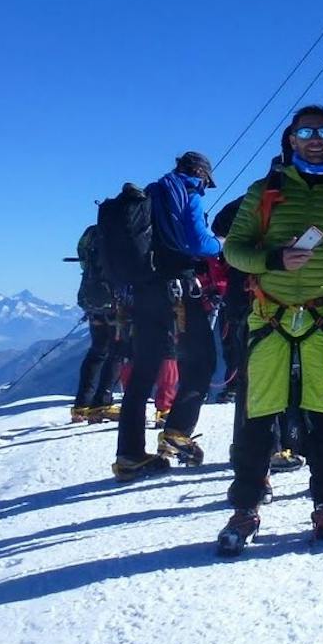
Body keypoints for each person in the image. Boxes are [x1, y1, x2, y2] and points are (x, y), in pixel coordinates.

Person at [219, 106, 323, 550]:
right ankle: (245, 508)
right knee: (258, 416)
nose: (315, 139)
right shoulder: (265, 191)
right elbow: (235, 251)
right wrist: (273, 260)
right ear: (291, 139)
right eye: (305, 132)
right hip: (269, 315)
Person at [113, 152, 223, 481]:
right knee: (201, 362)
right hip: (178, 289)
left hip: (144, 290)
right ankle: (177, 431)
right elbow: (198, 243)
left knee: (144, 369)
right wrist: (221, 244)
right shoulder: (187, 193)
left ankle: (129, 455)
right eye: (206, 181)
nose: (205, 187)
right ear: (200, 173)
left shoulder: (151, 193)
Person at [69, 225, 126, 423]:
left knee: (97, 350)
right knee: (117, 352)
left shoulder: (92, 232)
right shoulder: (125, 233)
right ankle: (103, 402)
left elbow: (83, 261)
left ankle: (81, 405)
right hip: (115, 299)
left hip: (92, 296)